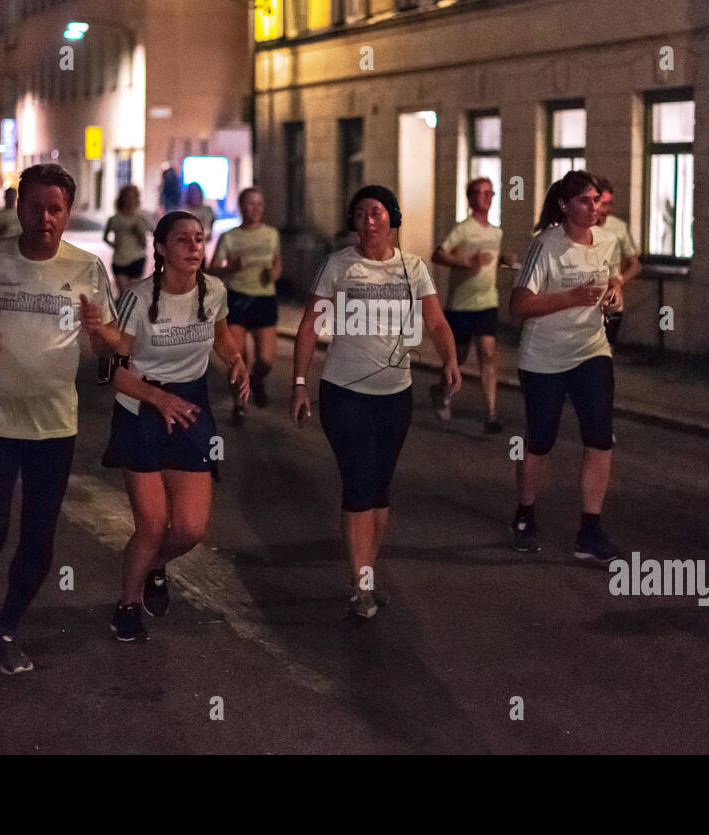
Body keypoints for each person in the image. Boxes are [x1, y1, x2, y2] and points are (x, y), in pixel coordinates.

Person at [0, 162, 119, 674]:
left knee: (39, 538)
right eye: (35, 207)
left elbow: (112, 344)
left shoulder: (87, 269)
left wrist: (100, 333)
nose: (45, 218)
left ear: (68, 213)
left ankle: (8, 627)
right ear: (18, 208)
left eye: (55, 209)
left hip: (54, 425)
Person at [291, 185, 461, 619]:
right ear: (354, 221)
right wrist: (299, 383)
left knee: (380, 490)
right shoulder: (338, 266)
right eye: (361, 214)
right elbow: (310, 325)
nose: (369, 221)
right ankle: (361, 584)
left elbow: (436, 321)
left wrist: (451, 361)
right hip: (344, 392)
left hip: (395, 394)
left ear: (393, 218)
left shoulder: (413, 268)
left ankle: (366, 572)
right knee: (358, 484)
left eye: (377, 212)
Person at [90, 210, 249, 642]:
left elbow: (221, 336)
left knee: (191, 529)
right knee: (153, 525)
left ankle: (155, 566)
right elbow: (114, 372)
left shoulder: (213, 289)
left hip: (191, 408)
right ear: (161, 248)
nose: (194, 246)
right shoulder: (140, 299)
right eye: (183, 239)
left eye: (199, 238)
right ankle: (127, 603)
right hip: (141, 407)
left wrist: (235, 361)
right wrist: (158, 398)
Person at [509, 170, 624, 562]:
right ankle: (525, 513)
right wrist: (573, 297)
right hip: (544, 356)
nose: (594, 208)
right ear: (564, 205)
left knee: (599, 438)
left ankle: (590, 531)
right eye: (585, 201)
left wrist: (614, 294)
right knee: (541, 439)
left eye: (597, 201)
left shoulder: (607, 241)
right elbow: (520, 305)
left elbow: (611, 279)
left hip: (591, 349)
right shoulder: (546, 246)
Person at [429, 177, 515, 433]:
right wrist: (466, 262)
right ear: (470, 198)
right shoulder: (463, 229)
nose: (486, 198)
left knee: (488, 353)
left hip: (487, 301)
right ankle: (442, 394)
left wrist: (504, 259)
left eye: (490, 193)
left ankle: (491, 413)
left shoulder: (496, 232)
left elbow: (490, 261)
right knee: (459, 358)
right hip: (461, 304)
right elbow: (438, 254)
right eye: (480, 193)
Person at [210, 187, 281, 424]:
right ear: (241, 207)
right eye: (250, 204)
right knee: (237, 357)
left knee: (266, 360)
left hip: (264, 299)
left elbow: (277, 261)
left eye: (259, 204)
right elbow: (212, 269)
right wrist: (230, 268)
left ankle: (257, 380)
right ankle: (239, 404)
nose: (255, 208)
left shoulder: (271, 234)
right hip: (237, 298)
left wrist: (275, 272)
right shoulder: (229, 236)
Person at [591, 175, 642, 346]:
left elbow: (634, 263)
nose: (607, 210)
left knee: (605, 349)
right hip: (583, 301)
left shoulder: (618, 228)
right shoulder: (580, 227)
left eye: (609, 204)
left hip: (610, 300)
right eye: (603, 204)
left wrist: (620, 279)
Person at [103, 184, 149, 297]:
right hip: (120, 260)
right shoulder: (114, 219)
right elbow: (105, 237)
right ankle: (121, 313)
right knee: (123, 294)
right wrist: (113, 245)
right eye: (127, 197)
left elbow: (145, 241)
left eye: (133, 197)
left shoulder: (141, 219)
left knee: (133, 295)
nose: (130, 200)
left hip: (137, 259)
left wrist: (139, 232)